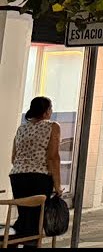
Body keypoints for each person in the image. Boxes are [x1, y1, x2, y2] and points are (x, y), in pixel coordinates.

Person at [10, 97, 60, 248]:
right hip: (39, 178)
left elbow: (14, 157)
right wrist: (57, 186)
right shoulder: (52, 126)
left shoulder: (22, 128)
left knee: (24, 216)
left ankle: (11, 242)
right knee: (36, 221)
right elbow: (52, 157)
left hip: (17, 176)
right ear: (46, 112)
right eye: (50, 109)